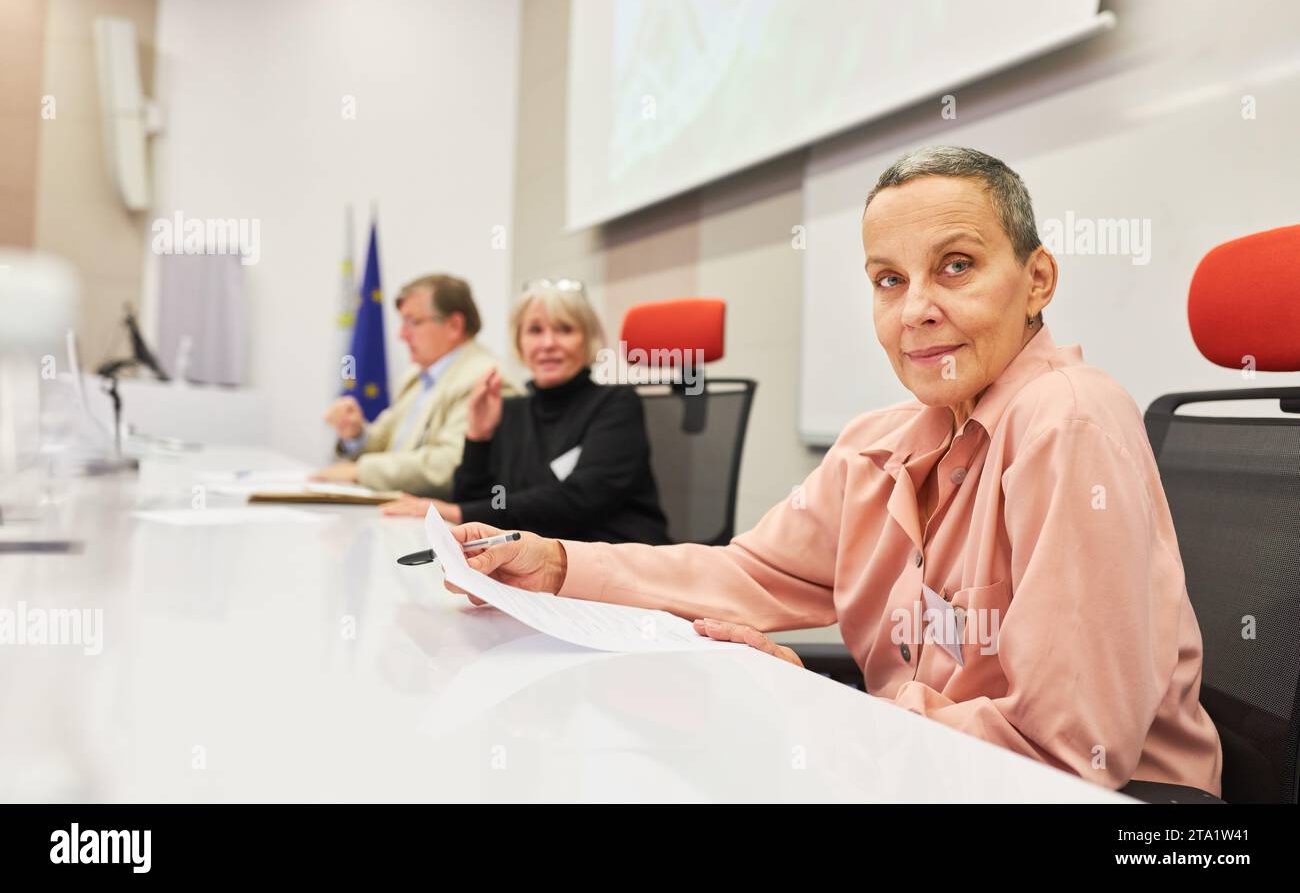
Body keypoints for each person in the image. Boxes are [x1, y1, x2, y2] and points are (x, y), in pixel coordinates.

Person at [439, 146, 1223, 796]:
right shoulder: (876, 445)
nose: (914, 309)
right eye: (888, 279)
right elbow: (745, 574)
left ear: (1038, 280)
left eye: (955, 266)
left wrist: (821, 715)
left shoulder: (1068, 420)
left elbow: (1067, 754)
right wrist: (560, 563)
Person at [382, 280, 670, 545]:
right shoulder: (509, 409)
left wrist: (457, 511)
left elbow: (580, 499)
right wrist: (478, 438)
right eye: (535, 330)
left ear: (587, 340)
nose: (548, 344)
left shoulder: (616, 404)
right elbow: (482, 506)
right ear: (519, 342)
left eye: (564, 329)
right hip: (534, 570)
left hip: (614, 561)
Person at [315, 273, 518, 495]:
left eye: (413, 322)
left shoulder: (486, 379)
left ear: (454, 325)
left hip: (444, 522)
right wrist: (356, 433)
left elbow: (448, 465)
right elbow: (385, 440)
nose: (402, 335)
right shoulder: (417, 375)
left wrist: (359, 471)